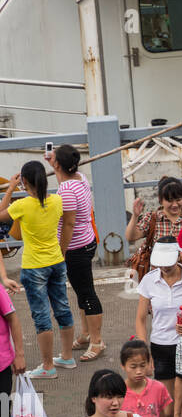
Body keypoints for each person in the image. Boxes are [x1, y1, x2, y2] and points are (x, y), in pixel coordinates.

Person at [0, 161, 75, 380]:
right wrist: (61, 251)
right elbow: (69, 223)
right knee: (62, 307)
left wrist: (11, 188)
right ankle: (67, 356)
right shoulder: (57, 201)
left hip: (34, 266)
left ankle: (48, 365)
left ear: (24, 181)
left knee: (41, 315)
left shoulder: (22, 205)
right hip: (56, 261)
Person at [48, 144, 104, 362]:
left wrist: (61, 252)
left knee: (87, 293)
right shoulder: (80, 178)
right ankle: (86, 333)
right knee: (81, 291)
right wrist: (53, 162)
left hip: (76, 247)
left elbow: (68, 224)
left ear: (58, 165)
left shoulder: (66, 191)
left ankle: (97, 341)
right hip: (88, 241)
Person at [135, 240, 182, 385]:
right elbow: (140, 319)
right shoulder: (149, 280)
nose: (164, 267)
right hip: (160, 345)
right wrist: (144, 352)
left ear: (178, 256)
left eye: (168, 262)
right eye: (161, 263)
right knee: (166, 400)